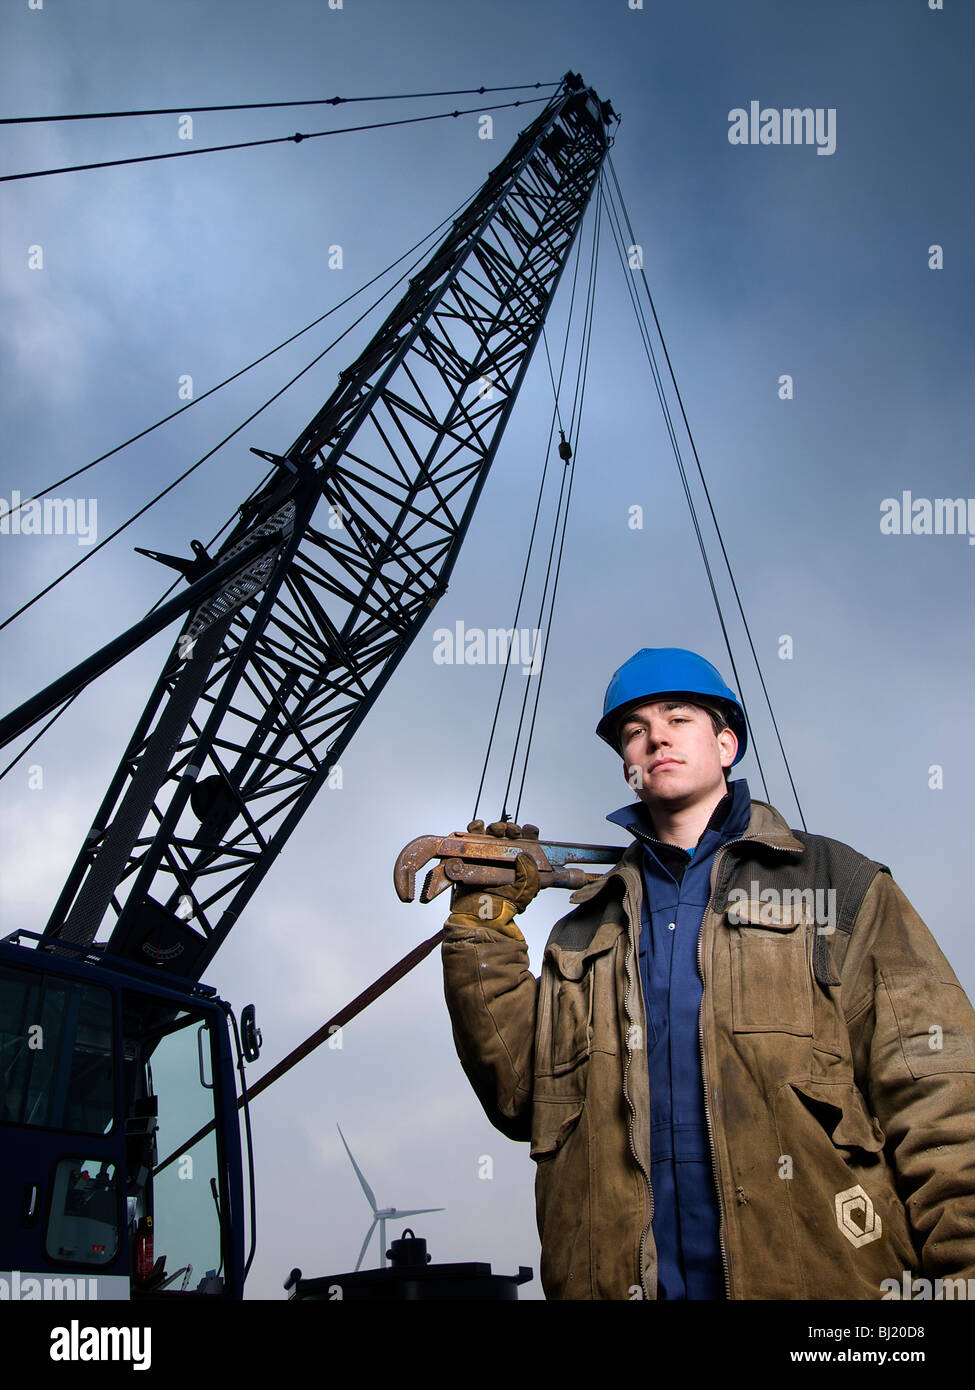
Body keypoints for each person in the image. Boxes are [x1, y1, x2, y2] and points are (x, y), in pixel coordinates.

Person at [441, 648, 975, 1300]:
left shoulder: (838, 886)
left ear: (726, 743)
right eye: (633, 730)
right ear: (626, 768)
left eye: (677, 717)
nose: (655, 735)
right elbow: (520, 1098)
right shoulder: (582, 934)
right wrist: (480, 931)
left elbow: (939, 1098)